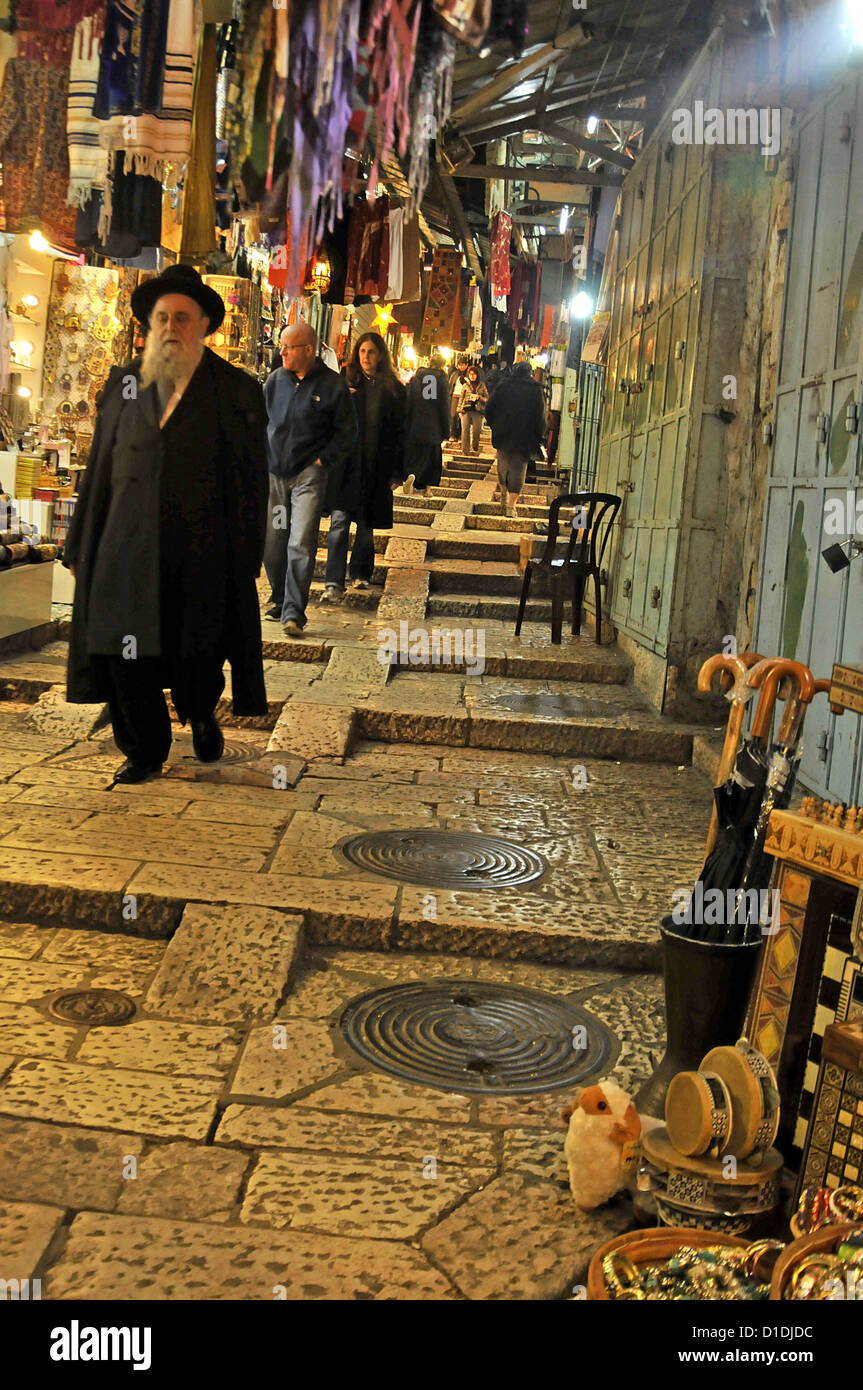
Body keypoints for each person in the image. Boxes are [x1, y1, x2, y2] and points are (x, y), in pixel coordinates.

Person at [63, 264, 268, 784]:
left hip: (200, 551)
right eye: (161, 318)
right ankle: (145, 749)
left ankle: (199, 712)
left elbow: (251, 482)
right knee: (125, 653)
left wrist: (245, 556)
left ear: (202, 324)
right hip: (124, 548)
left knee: (196, 651)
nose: (171, 327)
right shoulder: (124, 384)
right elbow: (100, 467)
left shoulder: (235, 390)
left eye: (182, 317)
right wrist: (81, 544)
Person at [263, 323, 356, 637]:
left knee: (300, 543)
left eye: (289, 347)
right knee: (273, 544)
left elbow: (347, 434)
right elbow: (262, 422)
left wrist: (322, 461)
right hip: (275, 474)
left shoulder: (332, 387)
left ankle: (293, 613)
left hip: (308, 477)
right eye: (282, 345)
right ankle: (279, 599)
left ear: (308, 350)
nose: (282, 352)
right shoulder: (275, 381)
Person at [321, 332, 406, 601]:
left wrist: (397, 472)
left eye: (371, 352)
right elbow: (325, 418)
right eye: (362, 352)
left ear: (380, 354)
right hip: (345, 466)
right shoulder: (343, 382)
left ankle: (360, 573)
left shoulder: (393, 389)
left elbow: (400, 432)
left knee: (366, 526)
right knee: (339, 523)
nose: (366, 357)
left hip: (374, 466)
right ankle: (333, 581)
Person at [484, 359, 546, 517]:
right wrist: (540, 434)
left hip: (503, 430)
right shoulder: (535, 389)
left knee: (503, 462)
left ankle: (503, 492)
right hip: (525, 434)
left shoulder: (503, 386)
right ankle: (511, 506)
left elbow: (490, 407)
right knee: (519, 468)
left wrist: (493, 424)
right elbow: (540, 415)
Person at [402, 351, 449, 495]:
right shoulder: (441, 380)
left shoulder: (417, 378)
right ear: (442, 365)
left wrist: (407, 423)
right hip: (433, 425)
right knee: (433, 459)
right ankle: (427, 489)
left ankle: (412, 475)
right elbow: (444, 406)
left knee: (415, 454)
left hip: (416, 424)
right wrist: (446, 430)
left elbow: (408, 401)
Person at [458, 364, 489, 456]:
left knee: (476, 431)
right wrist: (459, 409)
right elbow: (461, 398)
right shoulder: (465, 385)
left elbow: (487, 399)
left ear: (477, 375)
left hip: (477, 411)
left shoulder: (482, 385)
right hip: (466, 410)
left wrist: (479, 397)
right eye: (470, 374)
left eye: (474, 374)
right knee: (465, 431)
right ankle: (465, 451)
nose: (472, 376)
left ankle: (475, 445)